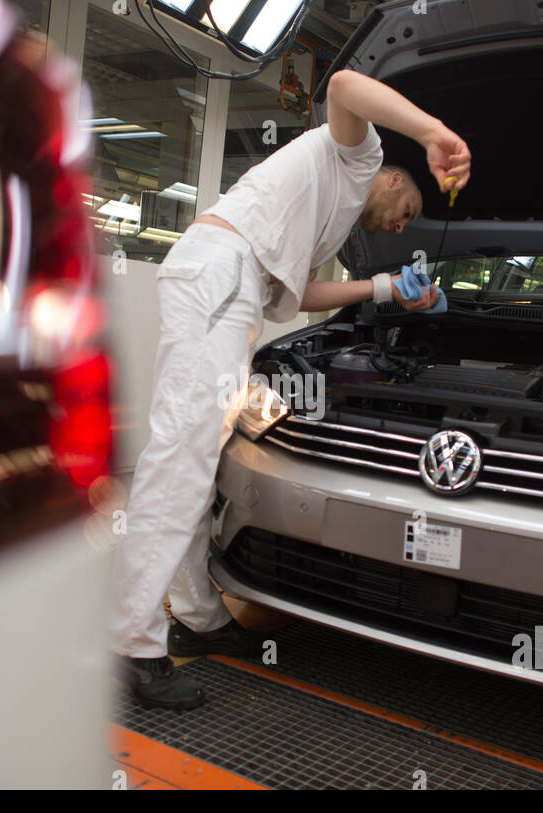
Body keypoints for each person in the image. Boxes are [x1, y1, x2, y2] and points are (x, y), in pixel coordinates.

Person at [111, 69, 472, 709]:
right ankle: (131, 645)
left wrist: (385, 290)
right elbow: (343, 84)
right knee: (179, 464)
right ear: (393, 179)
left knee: (200, 462)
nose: (400, 227)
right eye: (408, 211)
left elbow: (298, 295)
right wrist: (434, 132)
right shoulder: (362, 157)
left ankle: (198, 620)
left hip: (233, 288)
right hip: (221, 277)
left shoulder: (329, 223)